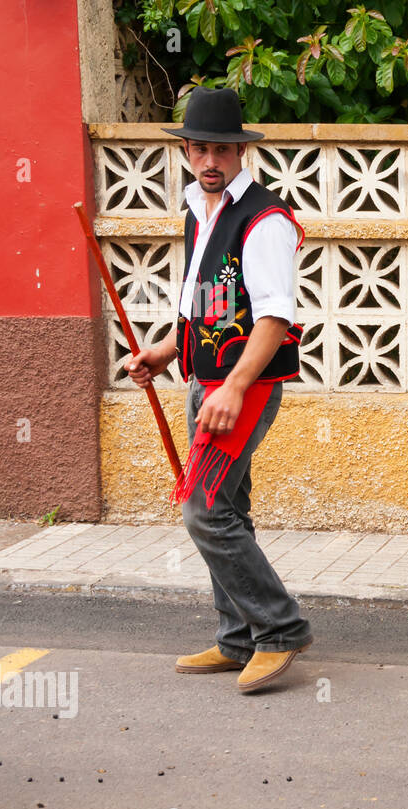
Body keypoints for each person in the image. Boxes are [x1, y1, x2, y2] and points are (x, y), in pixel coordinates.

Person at [126, 87, 313, 692]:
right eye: (199, 148)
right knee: (227, 507)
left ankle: (279, 629)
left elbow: (272, 318)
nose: (210, 160)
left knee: (203, 510)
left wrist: (232, 386)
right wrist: (165, 350)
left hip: (243, 388)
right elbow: (203, 302)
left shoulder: (264, 221)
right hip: (204, 379)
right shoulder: (198, 210)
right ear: (187, 152)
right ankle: (237, 639)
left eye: (222, 149)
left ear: (240, 151)